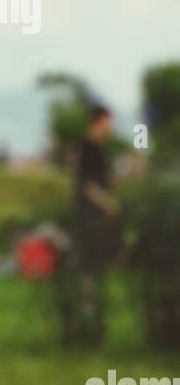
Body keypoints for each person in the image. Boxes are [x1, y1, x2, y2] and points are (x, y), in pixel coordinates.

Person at [66, 103, 119, 345]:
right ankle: (87, 319)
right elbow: (86, 185)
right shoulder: (88, 148)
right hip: (90, 216)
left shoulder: (100, 149)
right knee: (87, 268)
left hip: (98, 217)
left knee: (96, 269)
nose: (112, 126)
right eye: (109, 121)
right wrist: (107, 203)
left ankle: (93, 317)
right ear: (98, 121)